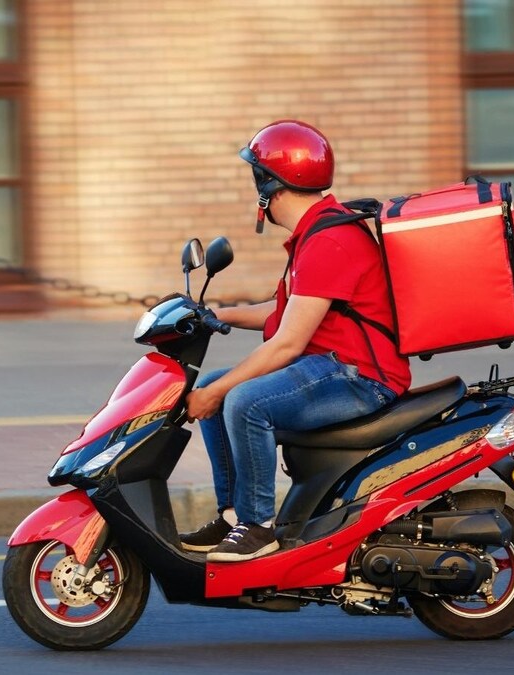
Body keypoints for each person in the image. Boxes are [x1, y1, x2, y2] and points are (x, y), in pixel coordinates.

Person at [180, 120, 411, 562]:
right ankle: (233, 517)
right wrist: (216, 315)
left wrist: (217, 392)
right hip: (331, 366)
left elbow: (287, 343)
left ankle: (257, 527)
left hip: (360, 377)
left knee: (243, 399)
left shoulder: (330, 240)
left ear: (269, 185)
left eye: (256, 177)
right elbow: (285, 312)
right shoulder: (317, 233)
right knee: (214, 383)